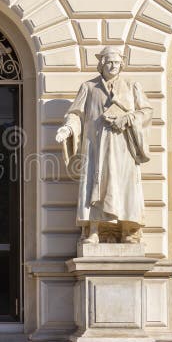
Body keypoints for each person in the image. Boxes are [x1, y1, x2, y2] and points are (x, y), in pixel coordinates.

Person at [55, 46, 152, 244]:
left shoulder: (132, 85)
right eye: (108, 62)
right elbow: (76, 114)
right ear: (101, 64)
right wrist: (68, 128)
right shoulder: (88, 87)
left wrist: (127, 119)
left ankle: (128, 230)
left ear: (121, 64)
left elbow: (147, 112)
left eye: (116, 62)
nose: (113, 65)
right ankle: (93, 231)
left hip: (123, 148)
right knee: (95, 186)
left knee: (124, 186)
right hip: (95, 147)